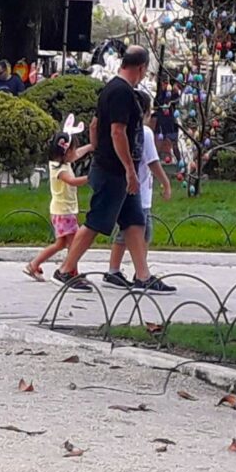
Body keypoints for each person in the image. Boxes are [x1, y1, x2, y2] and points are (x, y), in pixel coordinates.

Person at [54, 44, 159, 291]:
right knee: (97, 221)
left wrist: (96, 148)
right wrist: (128, 169)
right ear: (141, 68)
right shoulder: (122, 92)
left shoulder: (109, 88)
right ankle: (65, 269)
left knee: (134, 220)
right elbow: (117, 131)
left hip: (114, 167)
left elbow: (94, 124)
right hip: (115, 170)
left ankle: (143, 276)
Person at [103, 88, 174, 290]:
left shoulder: (127, 131)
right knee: (141, 233)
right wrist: (166, 182)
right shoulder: (146, 132)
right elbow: (153, 162)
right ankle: (139, 273)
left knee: (126, 232)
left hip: (132, 190)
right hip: (139, 193)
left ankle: (119, 271)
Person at [26, 135, 92, 278]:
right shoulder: (59, 169)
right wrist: (91, 177)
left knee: (61, 244)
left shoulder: (62, 163)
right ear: (65, 153)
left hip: (62, 211)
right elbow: (72, 181)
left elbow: (78, 154)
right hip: (64, 212)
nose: (75, 154)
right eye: (72, 150)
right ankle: (71, 272)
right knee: (74, 244)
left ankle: (34, 264)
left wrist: (91, 146)